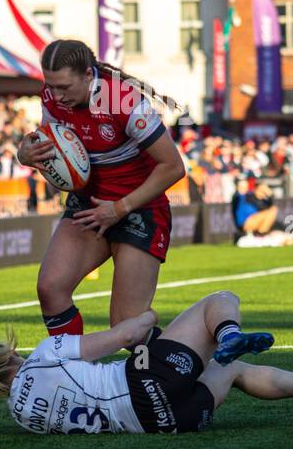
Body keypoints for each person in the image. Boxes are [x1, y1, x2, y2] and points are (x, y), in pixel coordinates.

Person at [0, 290, 293, 435]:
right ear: (8, 354)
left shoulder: (20, 418)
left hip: (162, 423)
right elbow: (121, 338)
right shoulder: (43, 354)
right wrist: (146, 320)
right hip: (142, 380)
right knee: (219, 301)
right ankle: (228, 335)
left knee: (233, 371)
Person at [17, 39, 186, 334]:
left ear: (87, 75)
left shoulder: (123, 101)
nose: (56, 96)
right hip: (89, 206)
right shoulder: (51, 97)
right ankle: (70, 372)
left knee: (127, 328)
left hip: (138, 209)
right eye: (50, 86)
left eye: (64, 87)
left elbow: (173, 167)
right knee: (50, 288)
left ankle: (193, 349)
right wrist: (26, 155)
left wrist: (119, 209)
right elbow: (57, 162)